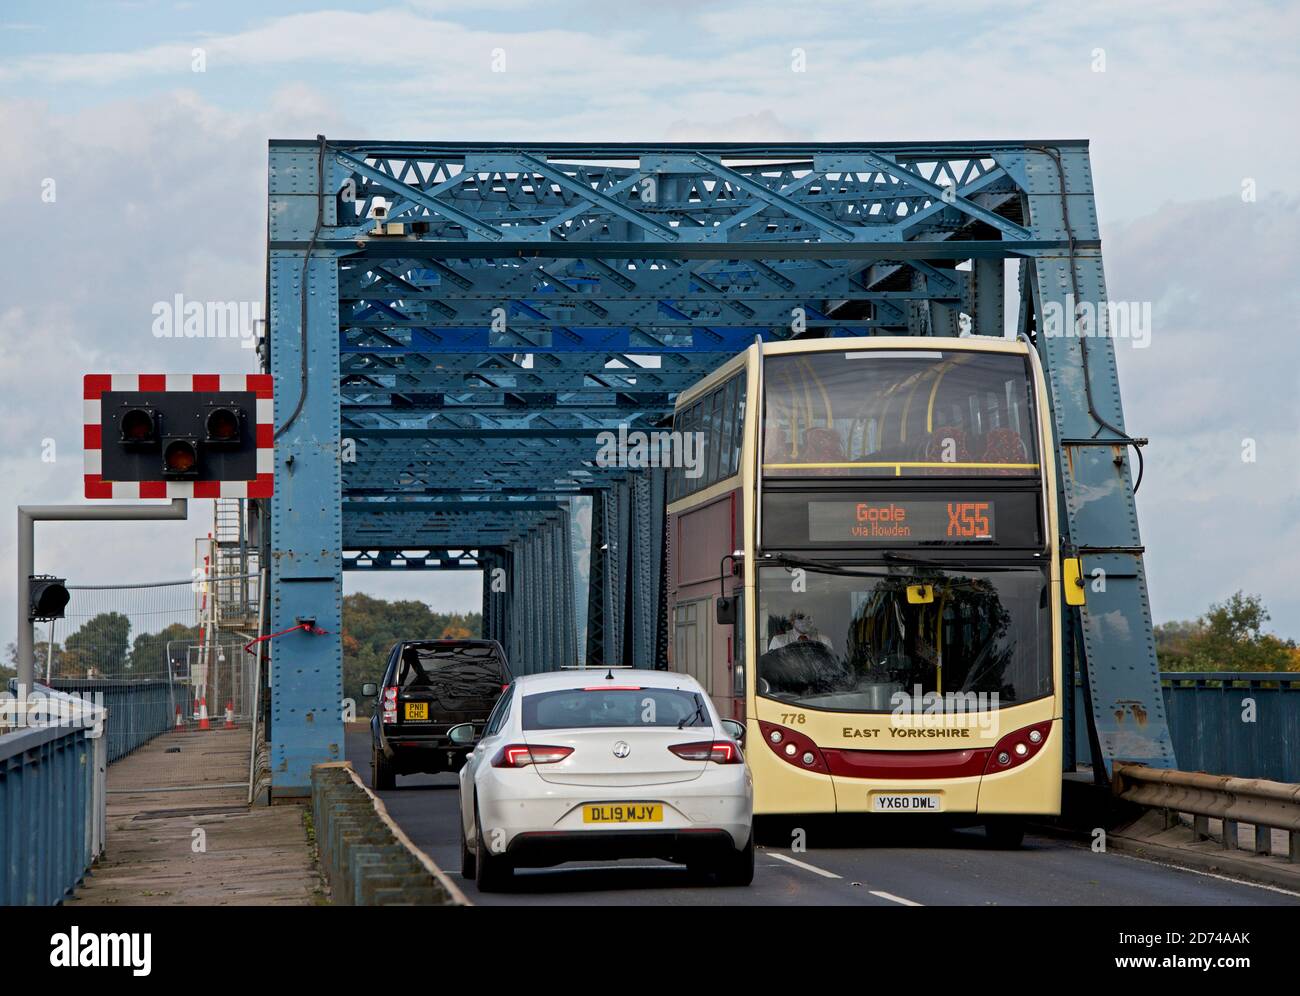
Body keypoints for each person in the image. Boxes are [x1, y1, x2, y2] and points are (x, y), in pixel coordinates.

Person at [767, 610, 834, 652]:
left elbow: (831, 666)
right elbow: (773, 667)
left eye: (808, 617)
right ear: (792, 621)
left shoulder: (824, 641)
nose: (804, 620)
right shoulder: (779, 641)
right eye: (800, 617)